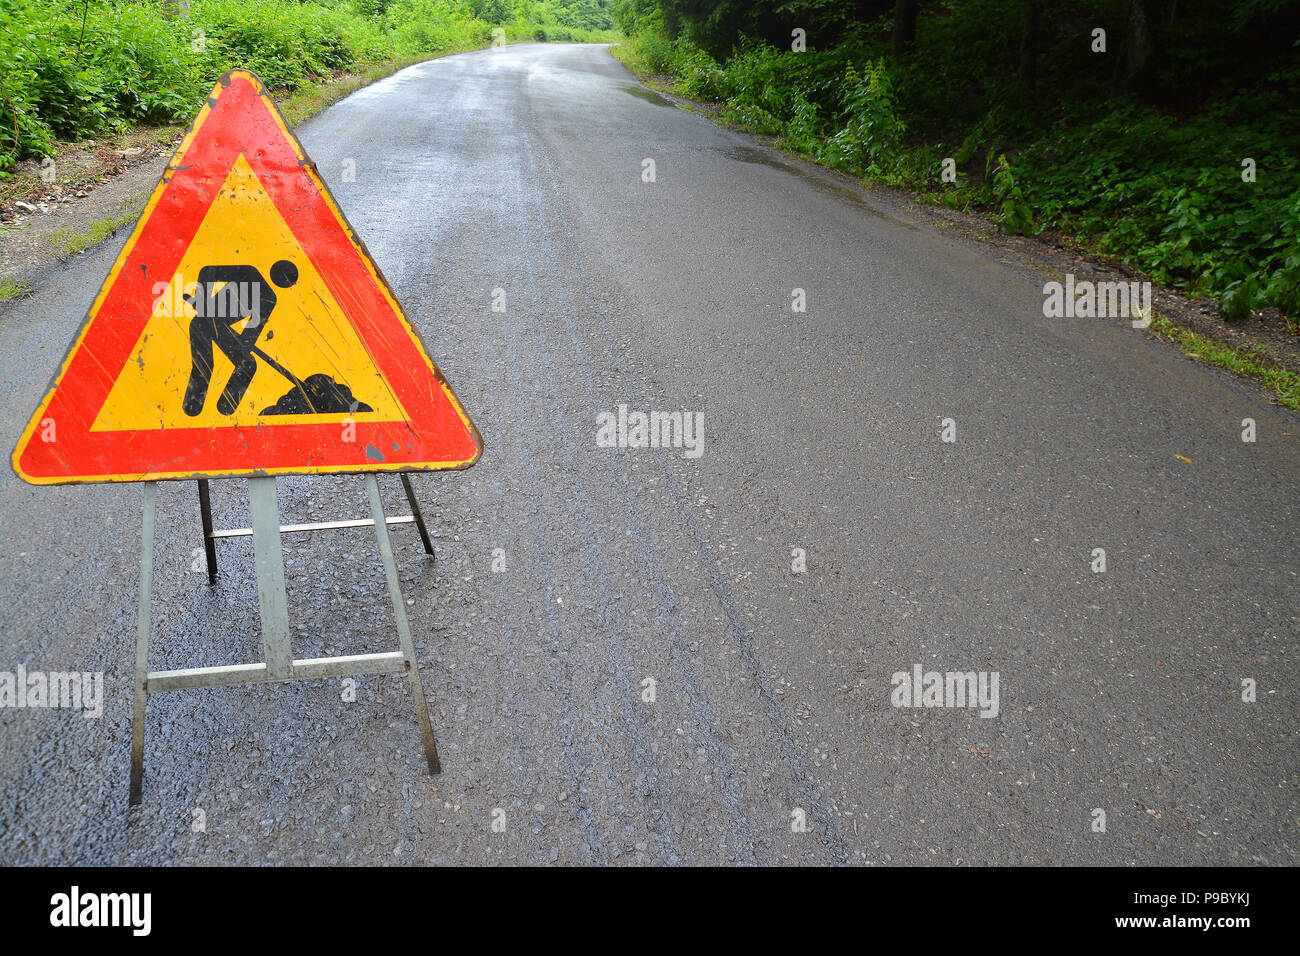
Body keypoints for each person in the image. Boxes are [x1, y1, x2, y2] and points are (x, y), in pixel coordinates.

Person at [182, 259, 298, 416]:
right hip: (202, 323)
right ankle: (192, 407)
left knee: (248, 364)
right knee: (204, 365)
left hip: (221, 328)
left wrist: (243, 346)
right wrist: (203, 302)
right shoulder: (248, 273)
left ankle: (226, 408)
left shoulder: (269, 298)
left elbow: (251, 333)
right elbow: (207, 271)